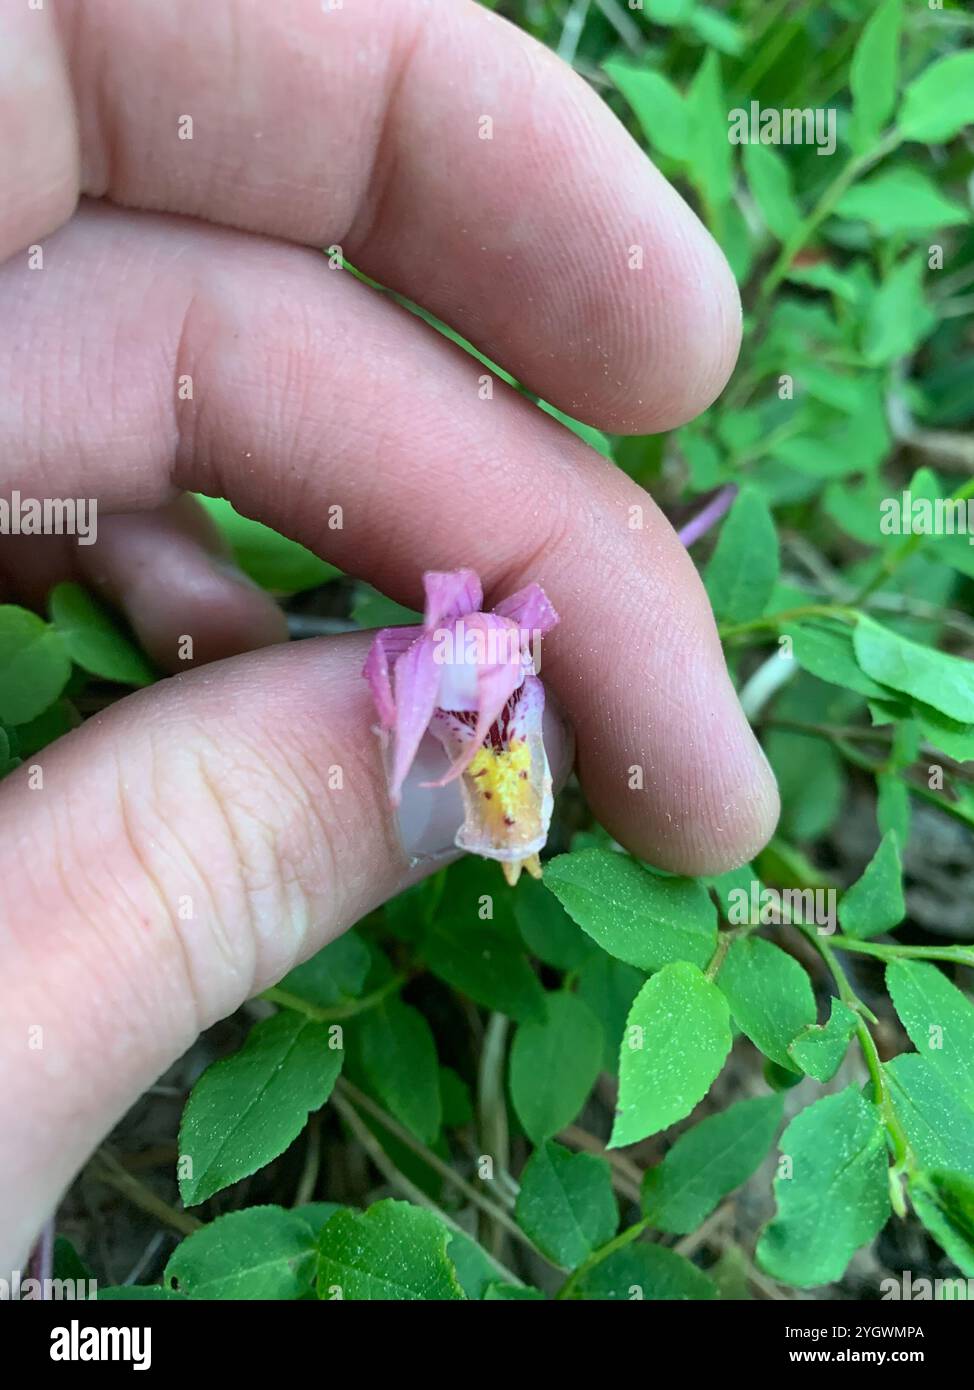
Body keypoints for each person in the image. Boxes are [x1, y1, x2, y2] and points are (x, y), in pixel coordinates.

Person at [0, 0, 778, 1268]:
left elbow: (493, 653)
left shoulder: (499, 664)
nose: (487, 760)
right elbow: (425, 669)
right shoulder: (437, 674)